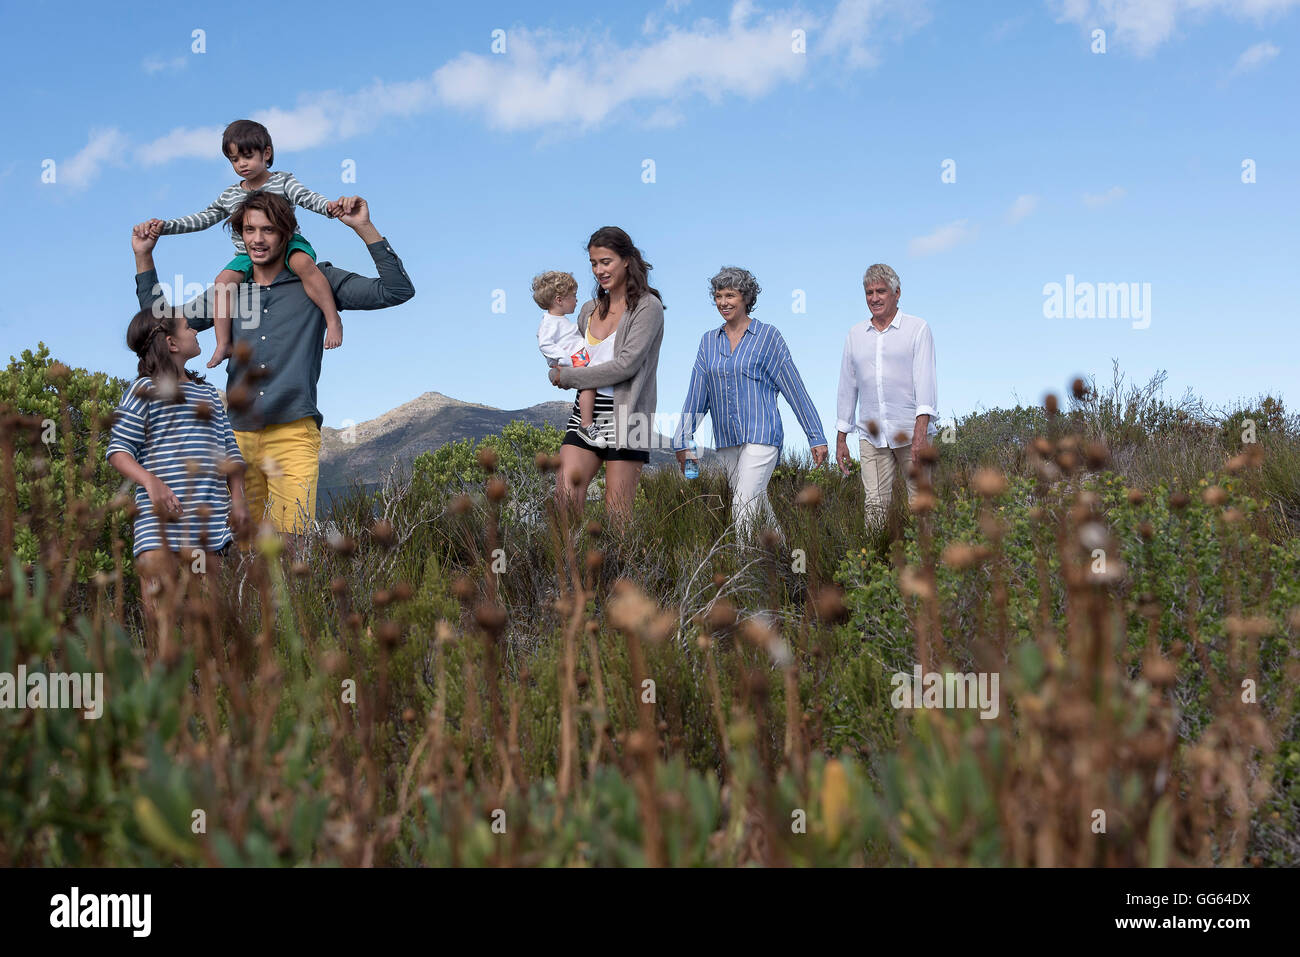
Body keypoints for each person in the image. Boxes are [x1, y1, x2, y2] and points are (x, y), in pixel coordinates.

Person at [132, 191, 415, 543]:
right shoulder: (228, 292)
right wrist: (144, 258)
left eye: (268, 230)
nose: (258, 239)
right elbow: (160, 325)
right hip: (236, 438)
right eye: (249, 230)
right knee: (239, 547)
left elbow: (397, 290)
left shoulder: (319, 281)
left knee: (292, 546)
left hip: (294, 433)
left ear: (286, 234)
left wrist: (364, 227)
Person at [133, 119, 344, 369]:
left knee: (304, 264)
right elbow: (202, 218)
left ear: (266, 153)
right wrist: (166, 227)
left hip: (287, 244)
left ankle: (333, 320)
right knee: (223, 282)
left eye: (247, 156)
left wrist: (330, 208)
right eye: (234, 160)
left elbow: (308, 198)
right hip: (247, 255)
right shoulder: (230, 195)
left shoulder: (283, 181)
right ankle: (224, 343)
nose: (241, 164)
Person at [105, 307, 247, 654]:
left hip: (209, 527)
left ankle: (207, 700)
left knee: (208, 624)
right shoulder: (144, 389)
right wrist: (151, 483)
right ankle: (165, 698)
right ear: (170, 342)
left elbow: (231, 454)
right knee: (162, 622)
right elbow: (118, 450)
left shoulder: (209, 394)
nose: (197, 330)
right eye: (188, 327)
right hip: (159, 526)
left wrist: (239, 502)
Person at [673, 266, 828, 539]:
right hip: (727, 439)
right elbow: (697, 395)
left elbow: (795, 389)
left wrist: (815, 436)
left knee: (742, 505)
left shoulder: (769, 337)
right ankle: (782, 563)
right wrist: (682, 439)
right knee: (757, 506)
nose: (723, 302)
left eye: (730, 295)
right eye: (719, 296)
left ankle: (745, 574)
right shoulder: (708, 342)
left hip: (763, 435)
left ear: (746, 298)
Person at [548, 227, 665, 526]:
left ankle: (623, 573)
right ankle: (573, 572)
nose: (599, 270)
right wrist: (555, 364)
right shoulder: (587, 310)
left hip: (629, 419)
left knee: (618, 520)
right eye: (593, 263)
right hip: (584, 416)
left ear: (626, 260)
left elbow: (626, 366)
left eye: (606, 261)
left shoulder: (647, 307)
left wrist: (570, 377)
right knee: (565, 502)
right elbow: (575, 356)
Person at [835, 263, 938, 529]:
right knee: (875, 507)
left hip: (910, 431)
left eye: (881, 291)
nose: (874, 298)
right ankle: (878, 566)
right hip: (872, 436)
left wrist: (920, 433)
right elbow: (847, 387)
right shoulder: (855, 335)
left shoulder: (918, 328)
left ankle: (926, 562)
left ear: (897, 293)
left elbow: (925, 381)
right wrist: (842, 437)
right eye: (869, 292)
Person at [533, 270, 604, 447]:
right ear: (559, 300)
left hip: (579, 356)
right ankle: (586, 424)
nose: (576, 300)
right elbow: (545, 345)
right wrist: (566, 361)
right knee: (589, 385)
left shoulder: (560, 320)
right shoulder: (549, 322)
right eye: (573, 296)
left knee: (594, 382)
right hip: (575, 360)